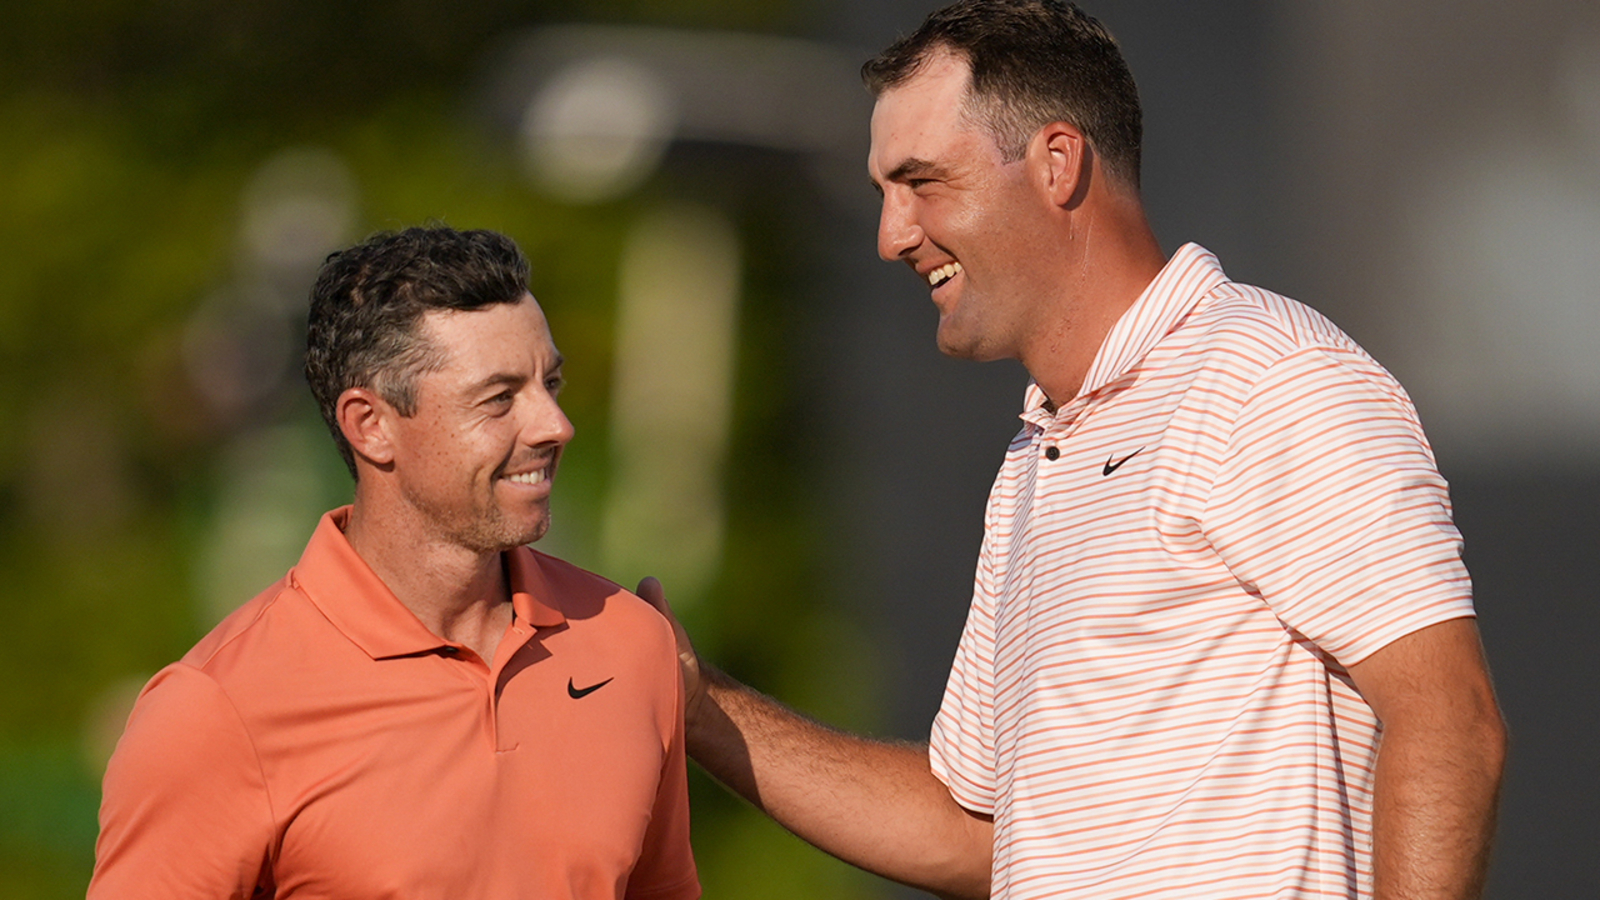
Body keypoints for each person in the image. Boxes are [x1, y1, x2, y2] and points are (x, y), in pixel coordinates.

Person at [639, 2, 1506, 899]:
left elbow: (1449, 724)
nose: (891, 235)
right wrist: (702, 709)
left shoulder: (1268, 375)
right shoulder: (1037, 453)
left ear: (1057, 163)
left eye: (923, 181)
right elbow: (973, 832)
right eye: (882, 193)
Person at [91, 227, 700, 900]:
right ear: (370, 426)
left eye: (549, 383)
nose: (554, 424)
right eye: (500, 398)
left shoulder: (632, 643)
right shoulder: (215, 710)